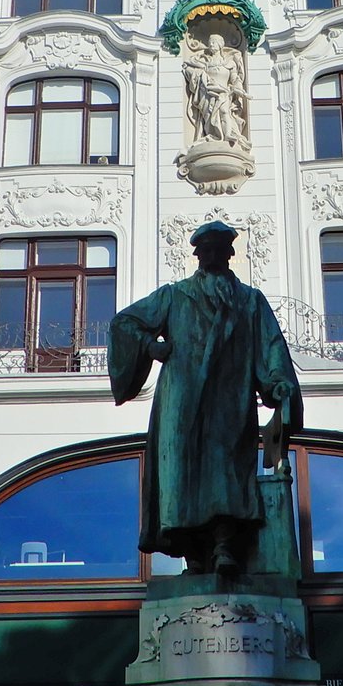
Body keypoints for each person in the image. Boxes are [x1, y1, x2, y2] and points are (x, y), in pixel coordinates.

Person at [109, 221, 301, 576]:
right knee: (183, 474)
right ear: (197, 255)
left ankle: (225, 546)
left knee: (228, 468)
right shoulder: (174, 295)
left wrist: (275, 382)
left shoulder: (250, 301)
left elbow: (270, 347)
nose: (213, 256)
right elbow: (124, 323)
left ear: (230, 254)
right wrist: (151, 346)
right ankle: (193, 553)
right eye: (206, 250)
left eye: (220, 249)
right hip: (181, 403)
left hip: (231, 397)